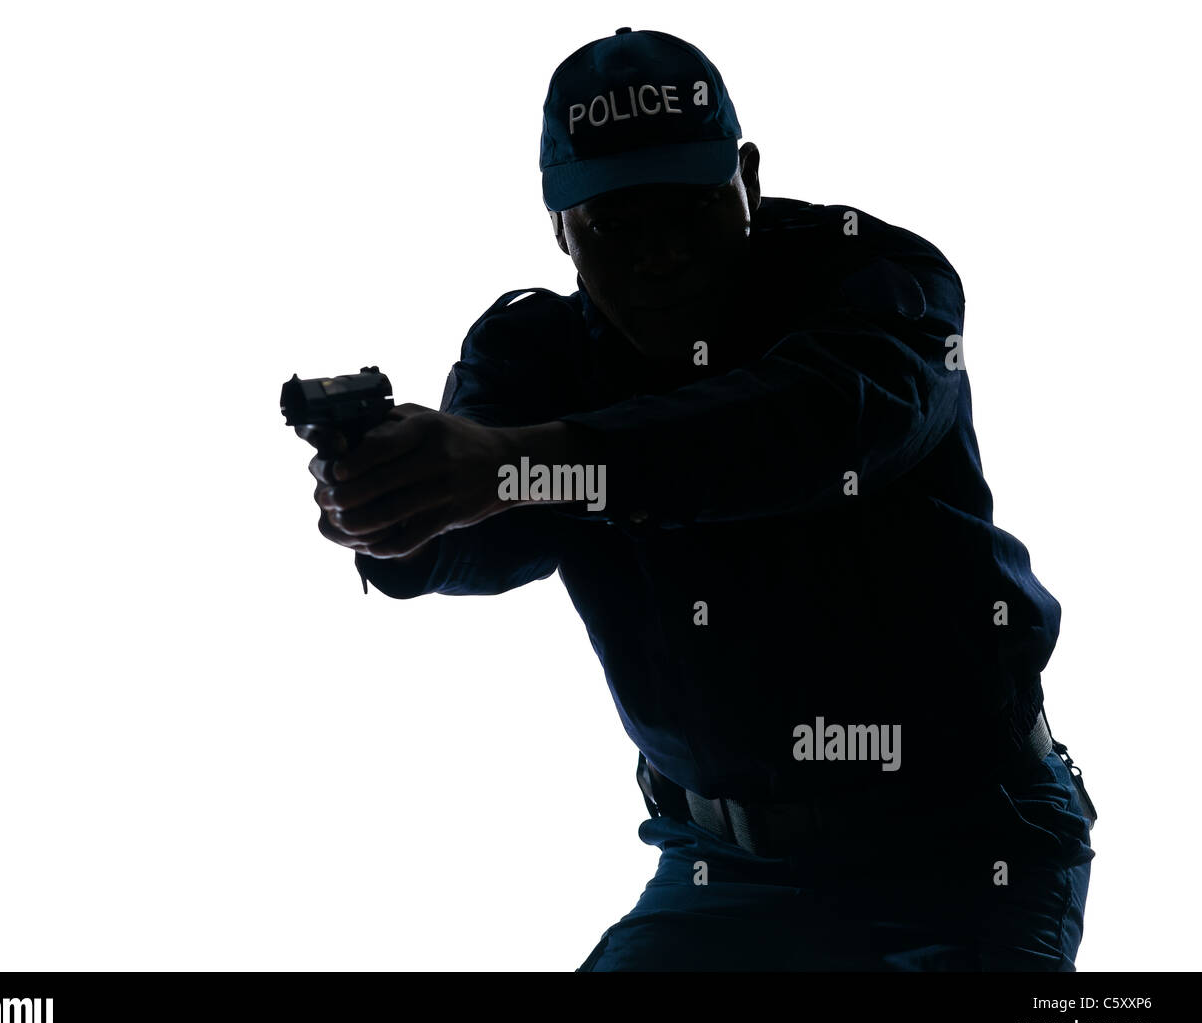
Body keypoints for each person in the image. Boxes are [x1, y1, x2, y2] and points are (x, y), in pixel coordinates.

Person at [302, 27, 1097, 971]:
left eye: (689, 209)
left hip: (967, 850)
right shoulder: (536, 354)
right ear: (558, 227)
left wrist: (518, 461)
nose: (662, 254)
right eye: (617, 224)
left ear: (749, 180)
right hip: (721, 868)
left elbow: (805, 427)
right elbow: (496, 528)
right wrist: (397, 514)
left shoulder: (875, 284)